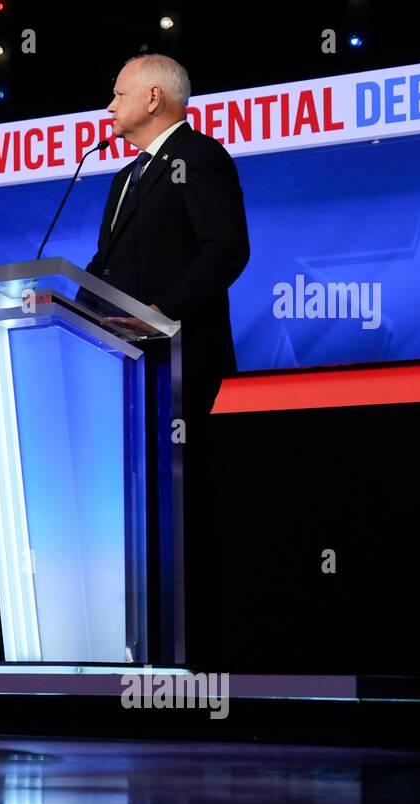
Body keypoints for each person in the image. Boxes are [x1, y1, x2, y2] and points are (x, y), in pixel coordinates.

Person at [81, 54, 250, 666]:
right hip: (124, 360)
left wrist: (160, 311)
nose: (109, 106)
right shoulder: (122, 178)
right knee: (133, 504)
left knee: (177, 501)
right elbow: (104, 266)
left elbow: (225, 252)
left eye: (118, 93)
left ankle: (195, 655)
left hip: (180, 356)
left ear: (154, 98)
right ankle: (139, 646)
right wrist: (60, 307)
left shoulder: (200, 157)